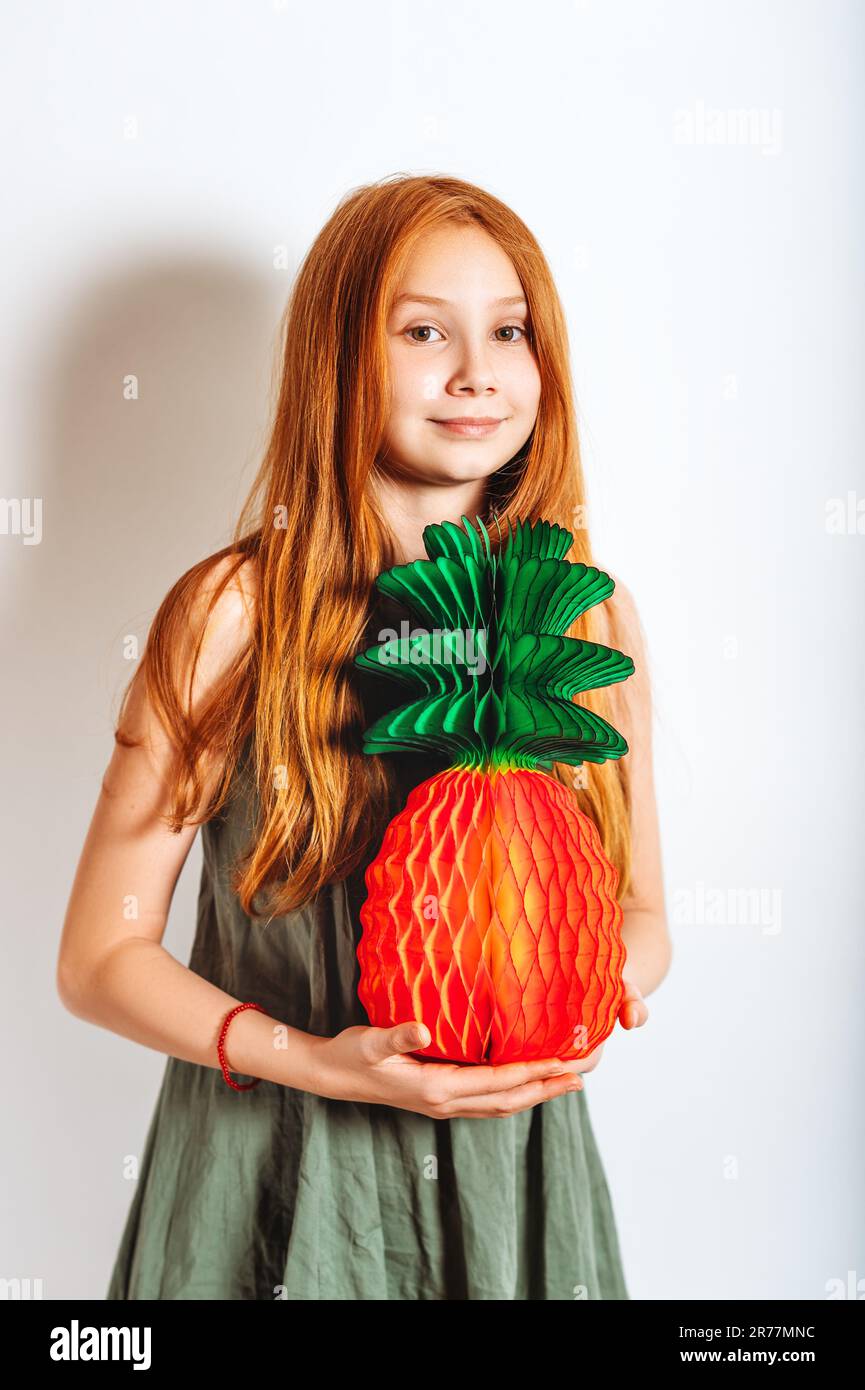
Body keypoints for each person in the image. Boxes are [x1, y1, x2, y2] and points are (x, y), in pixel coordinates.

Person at [57, 173, 671, 1301]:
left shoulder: (583, 614)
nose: (477, 371)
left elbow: (642, 913)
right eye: (425, 330)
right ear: (339, 360)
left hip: (511, 1173)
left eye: (509, 330)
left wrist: (583, 988)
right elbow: (99, 957)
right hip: (276, 1175)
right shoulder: (237, 615)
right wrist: (315, 1061)